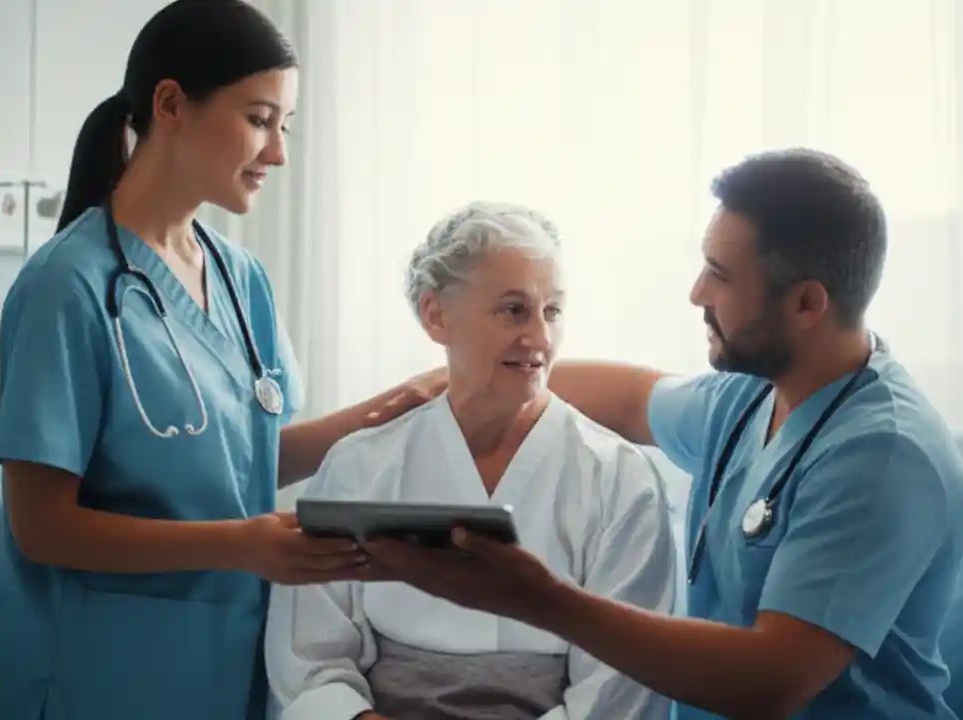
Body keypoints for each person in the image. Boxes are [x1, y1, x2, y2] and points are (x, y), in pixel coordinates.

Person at [365, 149, 963, 719]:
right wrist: (464, 379)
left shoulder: (883, 455)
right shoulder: (752, 395)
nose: (696, 293)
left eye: (720, 275)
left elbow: (772, 681)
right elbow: (627, 396)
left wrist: (539, 598)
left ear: (808, 304)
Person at [0, 2, 433, 718]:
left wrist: (396, 405)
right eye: (260, 120)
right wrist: (241, 546)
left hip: (225, 673)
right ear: (170, 104)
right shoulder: (66, 288)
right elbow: (42, 527)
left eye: (284, 126)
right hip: (100, 681)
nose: (278, 152)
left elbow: (243, 462)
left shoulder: (240, 278)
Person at [265, 202, 677, 720]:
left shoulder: (618, 476)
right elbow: (307, 657)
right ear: (436, 315)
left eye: (552, 310)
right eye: (513, 310)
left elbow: (624, 684)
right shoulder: (359, 465)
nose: (541, 338)